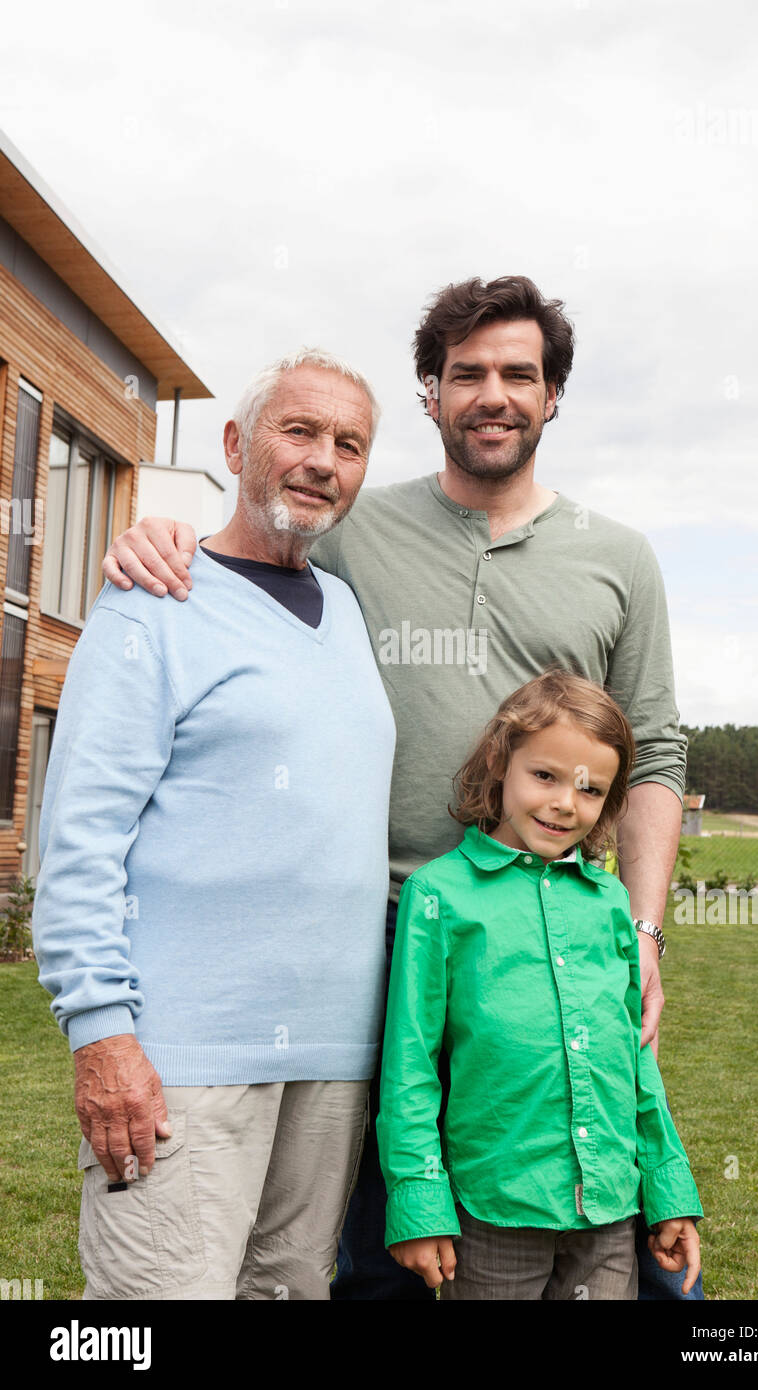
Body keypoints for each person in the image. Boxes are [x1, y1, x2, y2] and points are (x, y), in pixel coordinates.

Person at [101, 275, 699, 1299]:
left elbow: (652, 756)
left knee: (598, 1207)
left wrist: (639, 934)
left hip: (547, 940)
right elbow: (247, 550)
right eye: (464, 374)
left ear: (553, 395)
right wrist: (157, 535)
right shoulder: (350, 529)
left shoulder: (618, 560)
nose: (492, 393)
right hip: (380, 935)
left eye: (519, 373)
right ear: (431, 395)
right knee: (389, 1237)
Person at [32, 350, 396, 1300]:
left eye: (349, 444)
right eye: (300, 430)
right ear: (237, 445)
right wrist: (102, 1035)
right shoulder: (154, 599)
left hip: (330, 1068)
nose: (323, 459)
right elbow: (77, 835)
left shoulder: (350, 611)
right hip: (178, 1063)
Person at [379, 670, 702, 1300]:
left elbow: (634, 1061)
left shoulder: (612, 901)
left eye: (589, 789)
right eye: (545, 776)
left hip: (609, 1211)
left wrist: (667, 1190)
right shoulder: (438, 895)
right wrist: (420, 1201)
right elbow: (410, 1065)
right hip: (494, 1209)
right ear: (502, 762)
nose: (563, 803)